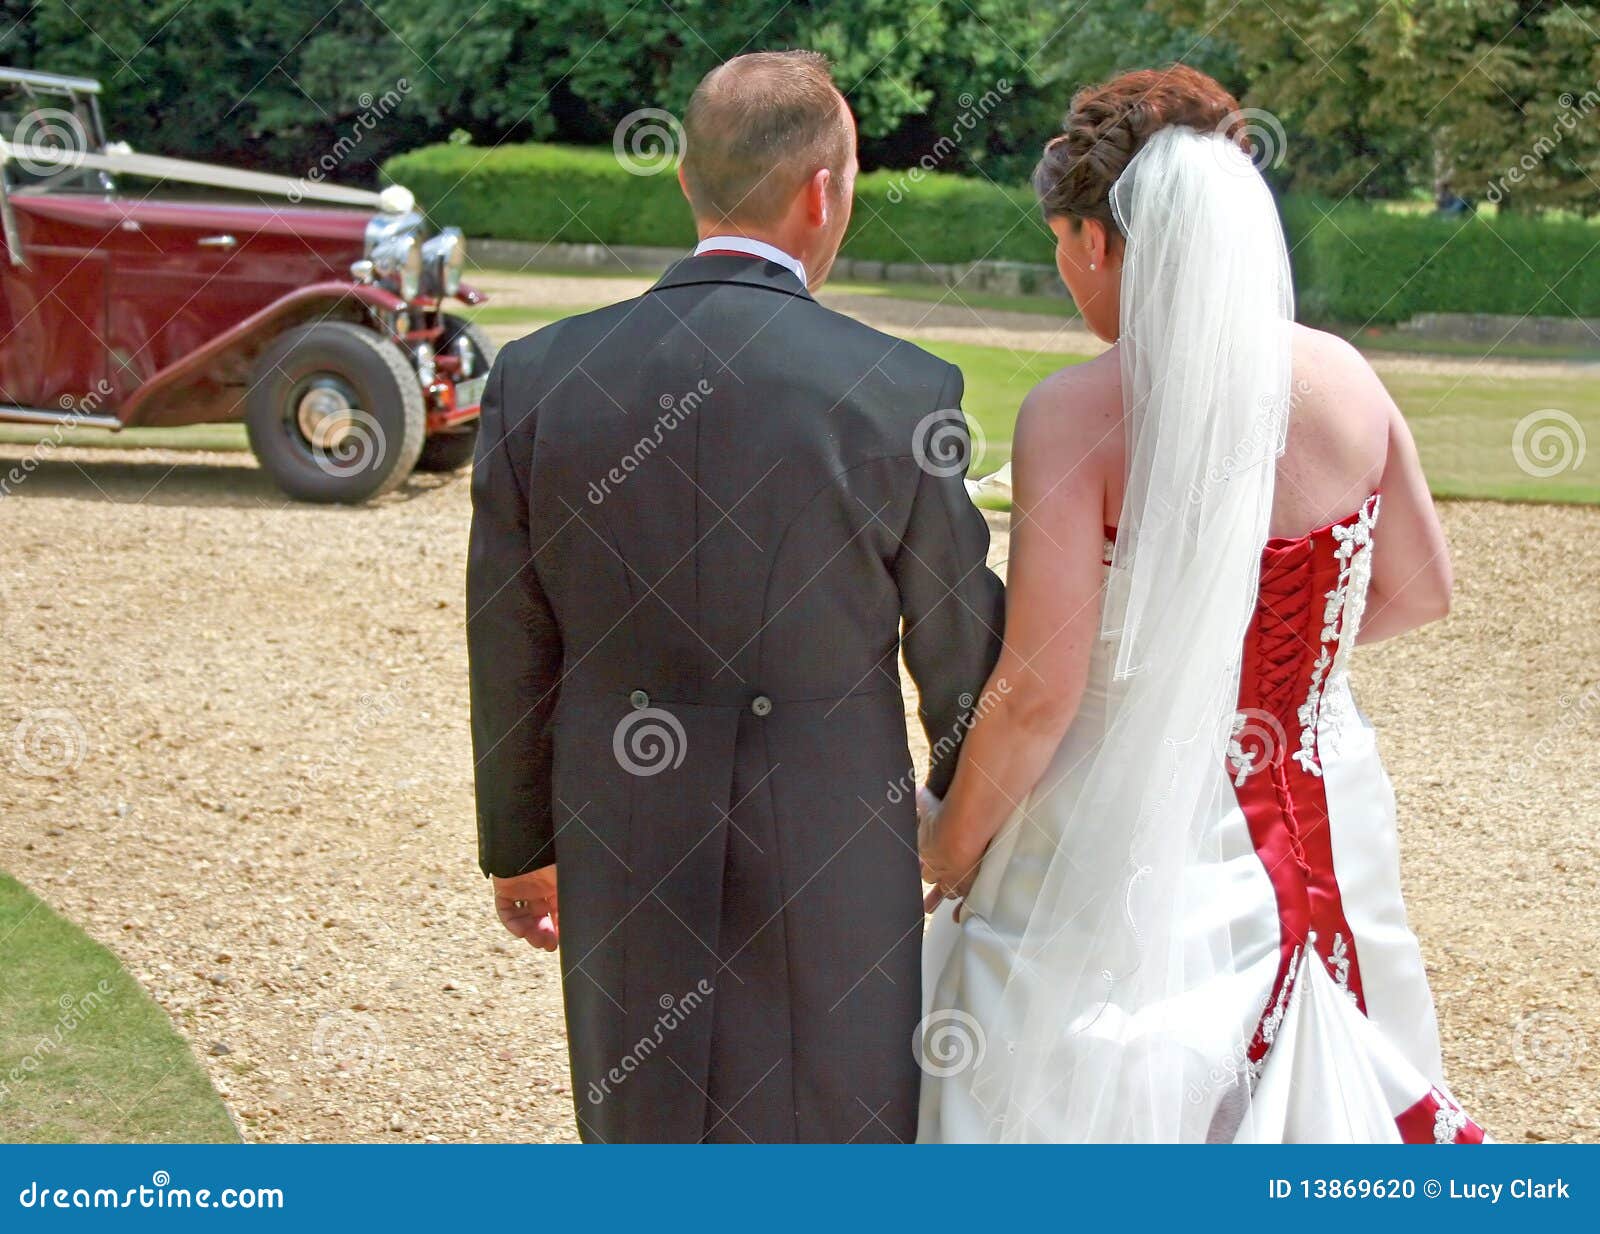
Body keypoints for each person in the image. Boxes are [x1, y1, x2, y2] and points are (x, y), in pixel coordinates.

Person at [917, 65, 1484, 1144]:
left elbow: (1040, 693)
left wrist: (946, 848)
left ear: (1094, 237)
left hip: (1126, 829)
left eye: (1060, 242)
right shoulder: (1347, 380)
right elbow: (1420, 588)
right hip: (1326, 812)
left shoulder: (1075, 413)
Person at [467, 50, 1004, 1143]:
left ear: (685, 182)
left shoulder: (537, 375)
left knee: (645, 1133)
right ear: (825, 189)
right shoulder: (901, 388)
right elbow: (955, 638)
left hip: (620, 821)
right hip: (835, 835)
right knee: (841, 1129)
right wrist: (964, 812)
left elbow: (510, 635)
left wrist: (516, 842)